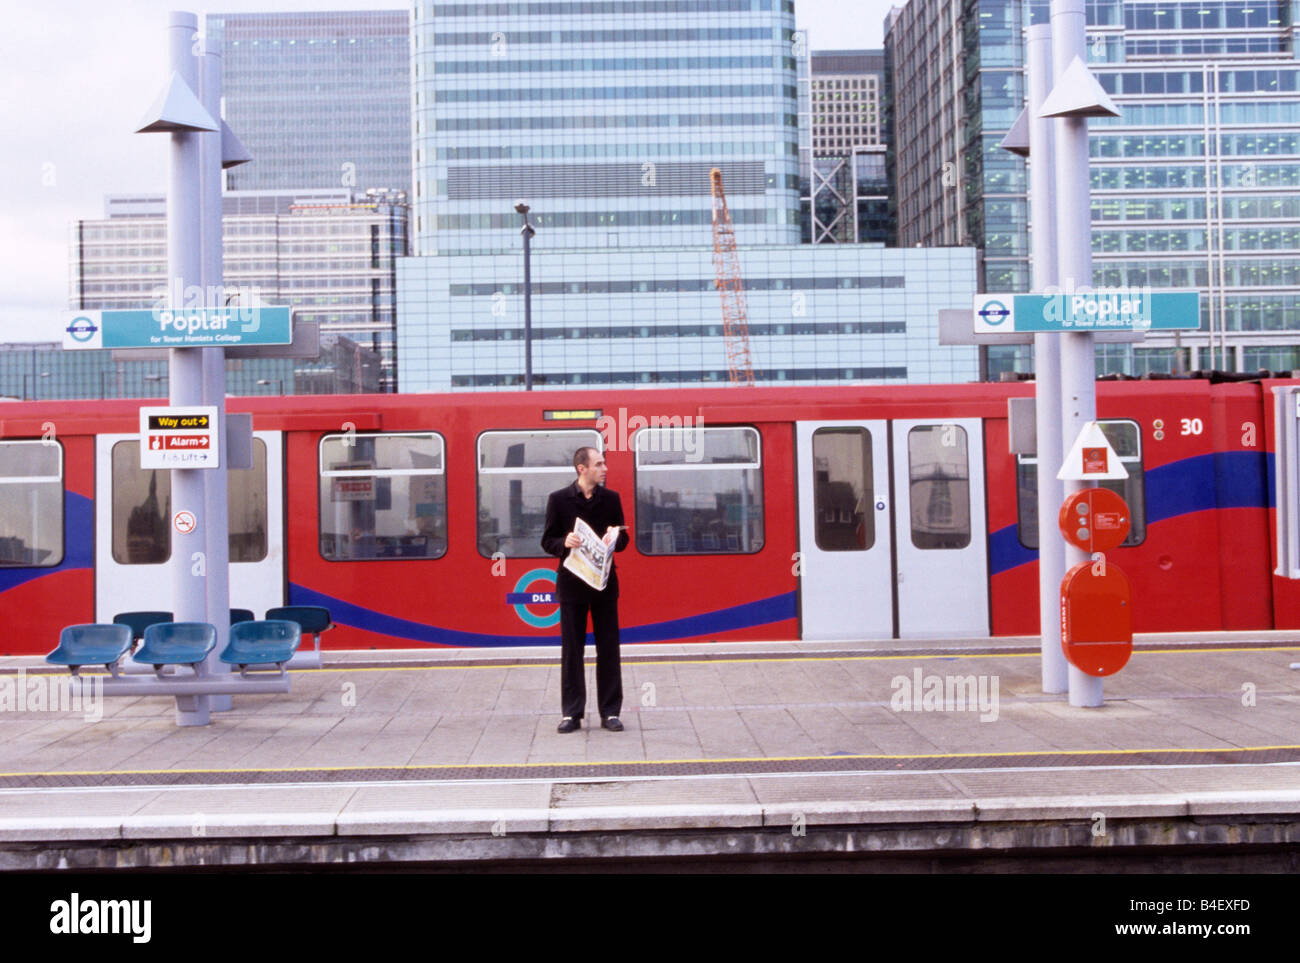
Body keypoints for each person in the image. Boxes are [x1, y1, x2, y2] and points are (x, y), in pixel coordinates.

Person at [541, 446, 631, 733]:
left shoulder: (611, 499)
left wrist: (614, 538)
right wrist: (563, 542)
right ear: (582, 468)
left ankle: (610, 712)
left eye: (603, 464)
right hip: (572, 584)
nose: (604, 468)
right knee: (572, 650)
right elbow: (547, 540)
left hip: (604, 584)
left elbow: (625, 540)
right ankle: (572, 713)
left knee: (608, 648)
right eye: (599, 464)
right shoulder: (558, 500)